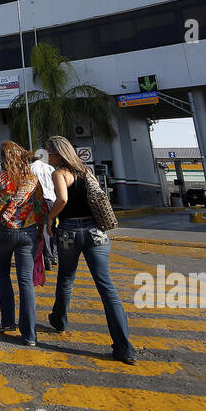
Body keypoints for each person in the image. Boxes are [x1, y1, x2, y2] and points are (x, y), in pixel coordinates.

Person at [44, 135, 137, 364]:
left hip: (68, 232)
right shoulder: (86, 171)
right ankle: (124, 348)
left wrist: (49, 219)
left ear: (59, 154)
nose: (48, 157)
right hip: (95, 232)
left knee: (66, 277)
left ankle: (59, 320)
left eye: (50, 153)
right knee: (106, 288)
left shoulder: (59, 174)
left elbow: (62, 200)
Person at [0, 140, 44, 346]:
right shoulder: (31, 178)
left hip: (4, 233)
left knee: (3, 274)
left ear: (4, 159)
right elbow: (40, 208)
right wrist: (42, 231)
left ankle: (7, 322)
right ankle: (30, 335)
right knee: (25, 282)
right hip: (27, 234)